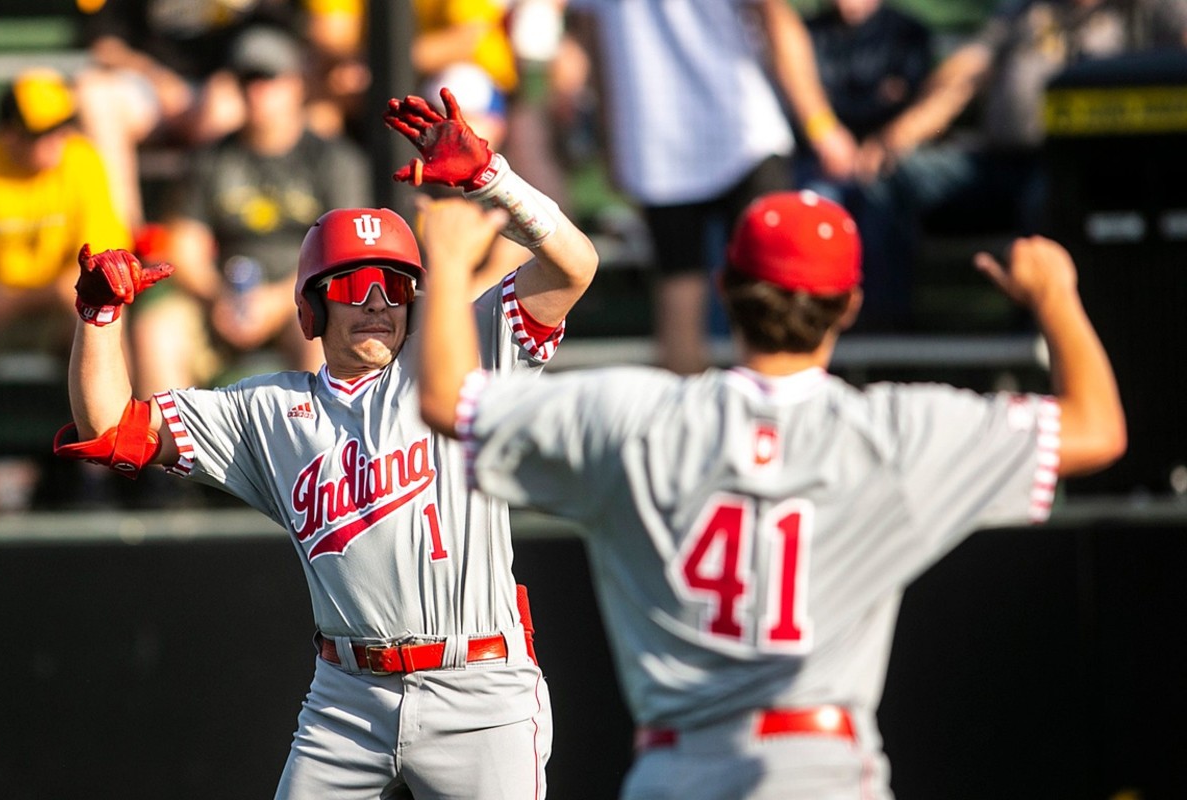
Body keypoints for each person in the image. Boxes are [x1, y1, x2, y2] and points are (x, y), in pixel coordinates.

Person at [413, 190, 1126, 799]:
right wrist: (1055, 297)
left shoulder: (636, 417)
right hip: (825, 768)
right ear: (849, 305)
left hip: (676, 768)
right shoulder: (893, 433)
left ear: (724, 289)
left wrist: (447, 267)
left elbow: (449, 400)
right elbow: (1096, 429)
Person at [53, 88, 598, 799]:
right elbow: (110, 428)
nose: (376, 301)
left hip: (480, 688)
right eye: (355, 283)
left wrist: (495, 179)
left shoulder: (458, 353)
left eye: (395, 284)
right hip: (347, 696)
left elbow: (573, 268)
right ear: (311, 307)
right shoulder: (265, 411)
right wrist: (98, 317)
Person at [558, 0, 858, 374]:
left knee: (682, 296)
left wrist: (613, 142)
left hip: (659, 149)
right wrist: (821, 124)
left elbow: (591, 44)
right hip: (744, 137)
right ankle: (775, 410)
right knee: (774, 300)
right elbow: (778, 23)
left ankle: (701, 413)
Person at [129, 25, 371, 397]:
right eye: (247, 81)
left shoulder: (334, 159)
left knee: (328, 330)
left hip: (303, 296)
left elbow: (346, 254)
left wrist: (279, 300)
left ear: (296, 84)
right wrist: (217, 297)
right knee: (156, 328)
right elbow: (185, 246)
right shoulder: (212, 157)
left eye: (268, 80)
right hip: (223, 298)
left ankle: (320, 434)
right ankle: (168, 436)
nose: (256, 93)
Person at [855, 0, 1187, 248]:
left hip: (1078, 168)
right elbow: (964, 77)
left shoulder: (1141, 10)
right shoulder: (1022, 10)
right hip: (998, 160)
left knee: (1045, 201)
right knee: (890, 175)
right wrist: (891, 139)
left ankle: (1040, 314)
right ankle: (883, 312)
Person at [0, 68, 131, 512]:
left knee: (98, 318)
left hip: (53, 306)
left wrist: (21, 298)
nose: (56, 140)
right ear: (10, 135)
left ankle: (101, 472)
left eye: (61, 127)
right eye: (42, 133)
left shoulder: (80, 160)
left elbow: (103, 264)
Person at [73, 0, 297, 229]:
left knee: (228, 107)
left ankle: (213, 230)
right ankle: (122, 232)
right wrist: (155, 76)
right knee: (95, 92)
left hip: (214, 90)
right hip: (148, 86)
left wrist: (232, 75)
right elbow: (105, 44)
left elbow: (275, 33)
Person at [798, 0, 934, 329]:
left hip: (887, 159)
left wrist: (878, 144)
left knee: (883, 200)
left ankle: (885, 325)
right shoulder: (810, 34)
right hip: (821, 160)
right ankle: (815, 321)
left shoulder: (907, 33)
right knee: (817, 200)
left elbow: (912, 103)